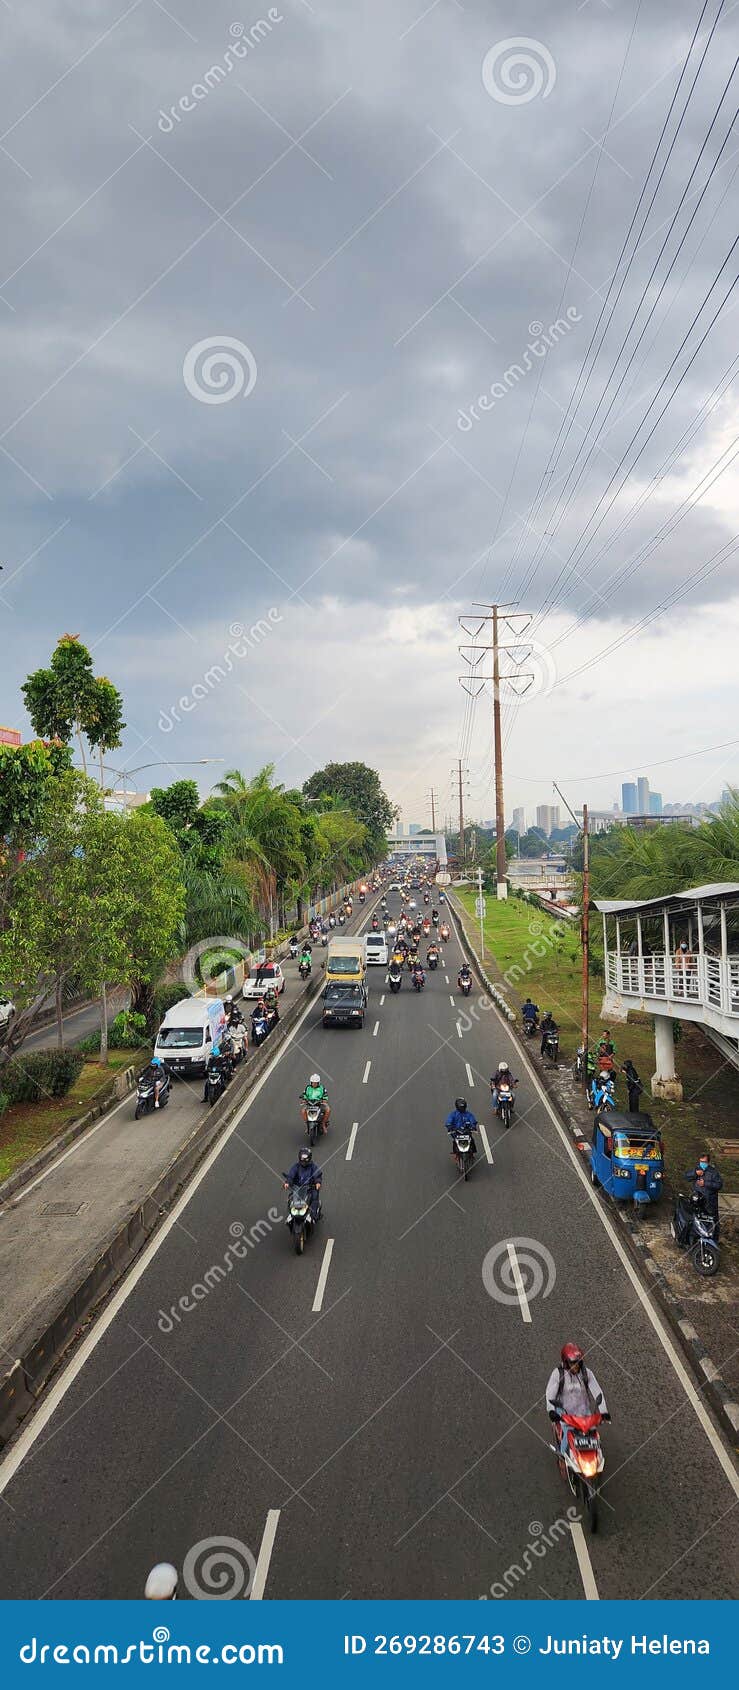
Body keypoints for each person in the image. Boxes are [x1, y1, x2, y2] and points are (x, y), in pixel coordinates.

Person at [546, 1343, 609, 1464]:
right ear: (565, 1362)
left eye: (578, 1362)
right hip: (565, 1414)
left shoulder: (587, 1374)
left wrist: (604, 1412)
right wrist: (551, 1411)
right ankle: (562, 1457)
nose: (576, 1366)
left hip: (584, 1414)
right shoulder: (557, 1374)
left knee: (594, 1435)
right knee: (566, 1434)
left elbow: (598, 1392)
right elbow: (549, 1395)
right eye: (572, 1363)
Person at [684, 1152, 723, 1237]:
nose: (702, 1164)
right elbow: (686, 1176)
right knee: (695, 1220)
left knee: (713, 1222)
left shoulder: (713, 1173)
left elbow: (719, 1185)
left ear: (708, 1162)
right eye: (701, 1161)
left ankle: (713, 1239)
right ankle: (694, 1238)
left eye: (704, 1162)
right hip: (698, 1201)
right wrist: (695, 1173)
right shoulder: (697, 1169)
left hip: (710, 1202)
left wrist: (705, 1183)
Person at [284, 1146, 323, 1223]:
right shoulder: (296, 1166)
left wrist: (317, 1182)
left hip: (310, 1188)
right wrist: (287, 1183)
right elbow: (291, 1175)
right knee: (290, 1199)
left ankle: (314, 1216)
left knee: (314, 1197)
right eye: (302, 1159)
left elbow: (317, 1174)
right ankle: (291, 1215)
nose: (304, 1161)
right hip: (298, 1188)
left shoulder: (313, 1166)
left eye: (306, 1160)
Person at [445, 1097, 478, 1164]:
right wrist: (450, 1127)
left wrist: (473, 1126)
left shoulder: (468, 1114)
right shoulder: (453, 1114)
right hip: (456, 1132)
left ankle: (472, 1154)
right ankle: (456, 1154)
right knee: (455, 1142)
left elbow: (473, 1121)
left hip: (467, 1132)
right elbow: (448, 1122)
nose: (462, 1108)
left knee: (472, 1141)